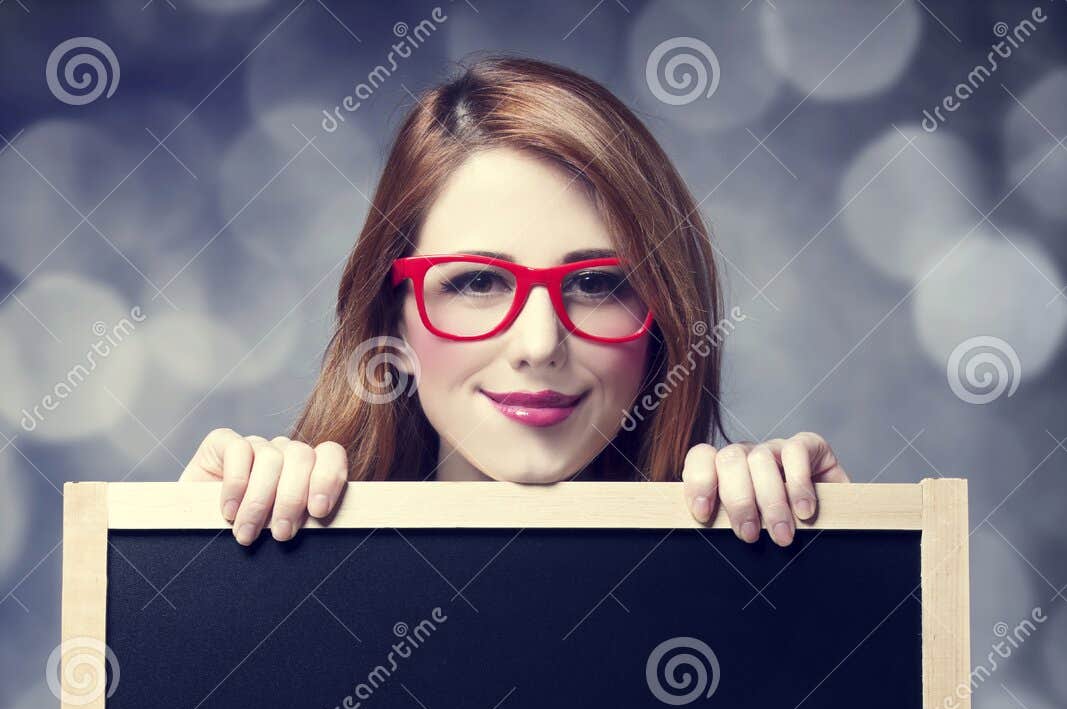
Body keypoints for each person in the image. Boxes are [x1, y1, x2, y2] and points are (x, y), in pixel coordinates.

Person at [180, 56, 848, 545]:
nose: (537, 346)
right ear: (394, 320)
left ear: (665, 325)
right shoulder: (279, 559)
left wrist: (837, 566)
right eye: (475, 282)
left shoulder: (746, 563)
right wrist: (187, 572)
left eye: (596, 284)